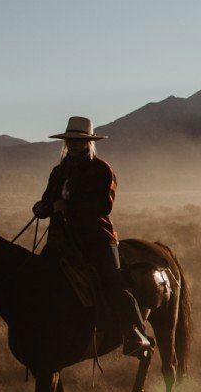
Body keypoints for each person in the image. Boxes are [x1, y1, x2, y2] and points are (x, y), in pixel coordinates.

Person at [31, 117, 153, 357]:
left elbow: (104, 206)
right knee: (38, 279)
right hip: (61, 240)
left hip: (96, 238)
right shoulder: (58, 172)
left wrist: (67, 206)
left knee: (113, 281)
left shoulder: (101, 169)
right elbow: (48, 201)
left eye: (78, 140)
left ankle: (135, 334)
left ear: (88, 142)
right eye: (70, 140)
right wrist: (42, 208)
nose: (73, 144)